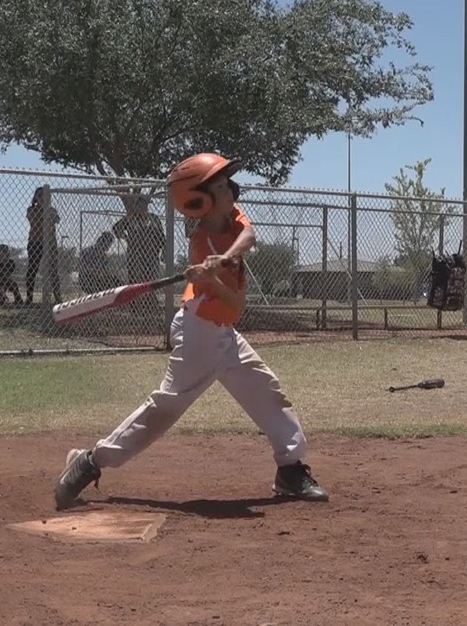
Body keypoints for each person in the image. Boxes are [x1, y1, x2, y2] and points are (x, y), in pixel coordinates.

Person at [53, 152, 328, 510]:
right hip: (201, 333)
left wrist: (225, 259)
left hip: (222, 333)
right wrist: (210, 275)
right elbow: (233, 302)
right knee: (166, 407)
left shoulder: (230, 217)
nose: (230, 189)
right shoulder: (201, 243)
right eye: (220, 186)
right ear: (200, 200)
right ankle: (91, 460)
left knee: (267, 392)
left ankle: (290, 470)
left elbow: (249, 233)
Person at [111, 188, 165, 319]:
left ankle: (150, 308)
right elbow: (116, 228)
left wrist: (163, 249)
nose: (143, 207)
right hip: (135, 255)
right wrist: (126, 238)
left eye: (145, 204)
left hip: (151, 254)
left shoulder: (154, 219)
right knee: (136, 280)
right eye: (140, 204)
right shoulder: (130, 219)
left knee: (150, 280)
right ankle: (136, 309)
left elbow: (161, 237)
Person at [24, 187, 62, 304]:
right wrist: (45, 218)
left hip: (50, 242)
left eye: (45, 196)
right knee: (32, 268)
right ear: (36, 197)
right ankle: (29, 297)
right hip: (35, 242)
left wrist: (46, 217)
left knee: (53, 270)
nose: (42, 198)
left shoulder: (51, 210)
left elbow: (56, 219)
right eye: (40, 196)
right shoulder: (31, 209)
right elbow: (34, 221)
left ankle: (58, 298)